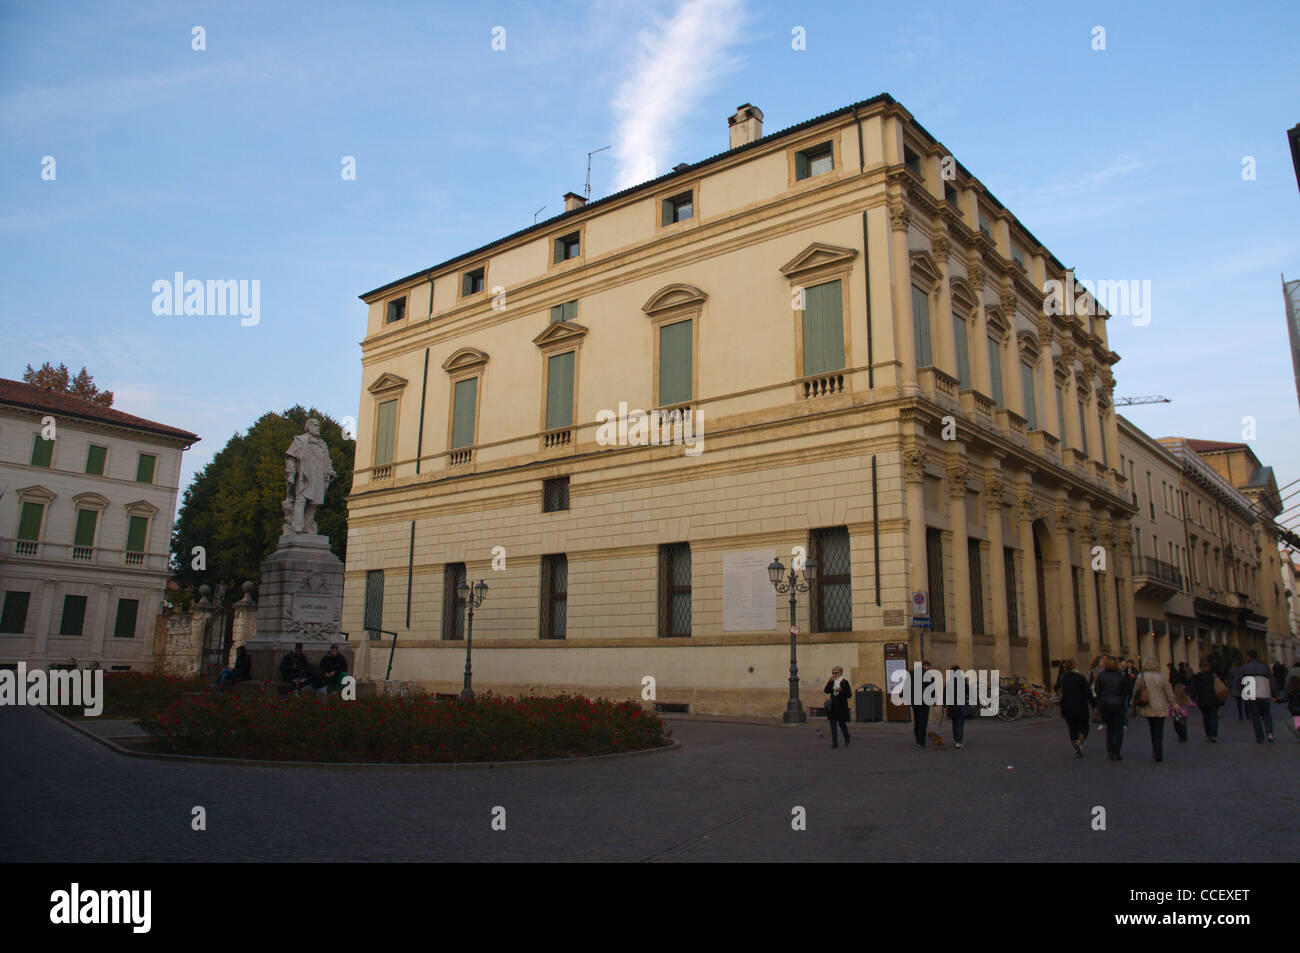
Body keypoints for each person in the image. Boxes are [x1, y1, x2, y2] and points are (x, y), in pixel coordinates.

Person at [1133, 657, 1177, 762]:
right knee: (1159, 729)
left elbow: (1135, 691)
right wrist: (1174, 704)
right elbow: (1169, 692)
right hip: (1160, 706)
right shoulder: (1161, 677)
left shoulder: (1141, 676)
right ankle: (1158, 751)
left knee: (1152, 728)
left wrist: (1132, 703)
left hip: (1148, 705)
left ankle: (1155, 749)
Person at [1093, 657, 1130, 761]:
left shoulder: (1101, 676)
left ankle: (1110, 751)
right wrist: (1120, 698)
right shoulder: (1121, 676)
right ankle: (1116, 752)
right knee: (1118, 729)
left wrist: (1103, 698)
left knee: (1109, 728)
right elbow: (1126, 691)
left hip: (1105, 704)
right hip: (1118, 703)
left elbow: (1097, 690)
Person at [1056, 659, 1092, 757]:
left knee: (1072, 728)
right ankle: (1079, 743)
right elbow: (1087, 693)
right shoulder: (1080, 678)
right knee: (1084, 727)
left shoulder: (1063, 678)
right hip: (1080, 706)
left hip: (1067, 706)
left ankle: (1076, 747)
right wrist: (1094, 704)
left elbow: (1057, 688)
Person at [1239, 650, 1275, 743]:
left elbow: (1238, 682)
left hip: (1250, 693)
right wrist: (1275, 694)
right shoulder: (1264, 667)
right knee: (1266, 714)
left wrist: (1241, 692)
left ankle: (1260, 737)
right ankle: (1269, 732)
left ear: (1248, 657)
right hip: (1264, 693)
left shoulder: (1244, 668)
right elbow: (1272, 681)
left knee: (1255, 717)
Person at [1188, 659, 1223, 742]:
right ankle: (1213, 734)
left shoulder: (1197, 677)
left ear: (1200, 667)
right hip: (1213, 699)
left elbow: (1194, 689)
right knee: (1213, 716)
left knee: (1206, 716)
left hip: (1202, 699)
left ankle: (1208, 732)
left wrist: (1193, 697)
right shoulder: (1213, 676)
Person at [944, 665, 972, 749]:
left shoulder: (949, 682)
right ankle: (958, 742)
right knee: (960, 724)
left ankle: (956, 739)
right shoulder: (963, 681)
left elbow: (945, 695)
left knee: (954, 724)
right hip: (961, 705)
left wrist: (944, 706)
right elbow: (969, 691)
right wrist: (968, 699)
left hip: (952, 706)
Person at [823, 666, 852, 748]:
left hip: (841, 707)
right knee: (832, 725)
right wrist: (829, 681)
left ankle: (847, 737)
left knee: (842, 724)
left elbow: (849, 695)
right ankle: (835, 743)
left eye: (836, 673)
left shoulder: (844, 682)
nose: (834, 675)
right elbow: (826, 691)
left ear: (840, 673)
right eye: (833, 673)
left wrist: (842, 691)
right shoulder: (833, 682)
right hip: (833, 707)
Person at [911, 660, 934, 749]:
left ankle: (917, 738)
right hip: (925, 701)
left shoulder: (911, 673)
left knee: (917, 719)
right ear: (927, 666)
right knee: (923, 721)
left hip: (914, 700)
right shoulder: (928, 675)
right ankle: (921, 741)